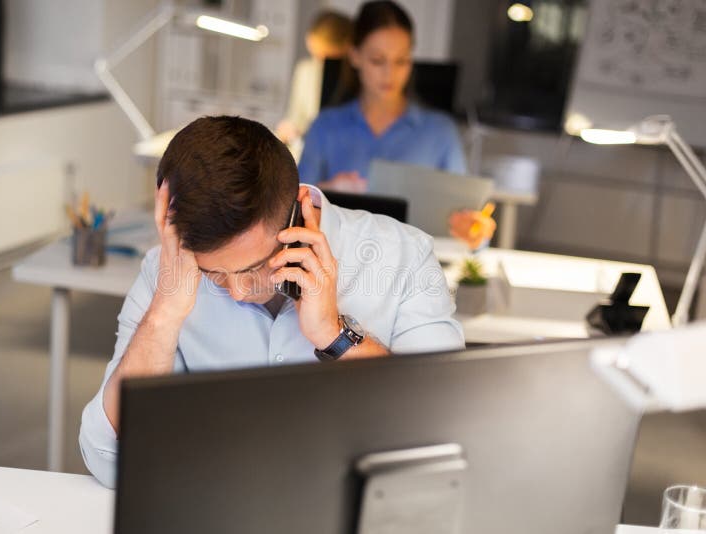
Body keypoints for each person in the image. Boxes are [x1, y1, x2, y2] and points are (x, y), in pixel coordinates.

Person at [79, 116, 464, 488]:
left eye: (253, 267)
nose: (237, 291)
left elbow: (447, 436)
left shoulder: (405, 256)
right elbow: (107, 460)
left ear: (298, 211)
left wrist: (335, 336)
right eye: (214, 273)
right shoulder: (167, 271)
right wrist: (164, 315)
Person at [298, 0, 467, 192]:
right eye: (377, 61)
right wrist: (328, 190)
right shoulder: (324, 127)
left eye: (401, 61)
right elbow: (296, 201)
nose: (390, 74)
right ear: (355, 56)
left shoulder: (441, 132)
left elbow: (462, 203)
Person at [275, 10, 353, 146]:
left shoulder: (356, 81)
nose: (321, 65)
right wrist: (289, 130)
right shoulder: (305, 71)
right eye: (317, 55)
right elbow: (295, 117)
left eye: (326, 59)